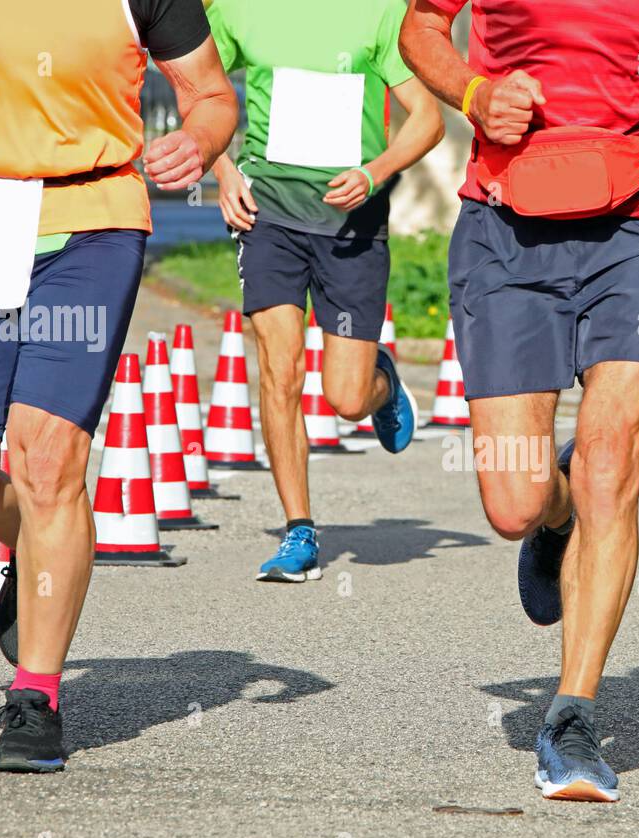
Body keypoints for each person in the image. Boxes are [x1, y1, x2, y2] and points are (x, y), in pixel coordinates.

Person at [0, 0, 237, 771]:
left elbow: (211, 94)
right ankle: (34, 550)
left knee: (47, 460)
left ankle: (36, 696)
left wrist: (197, 142)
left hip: (91, 223)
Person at [401, 0, 639, 801]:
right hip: (509, 223)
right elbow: (420, 26)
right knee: (514, 502)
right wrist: (476, 93)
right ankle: (554, 517)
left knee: (609, 460)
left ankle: (572, 716)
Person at [206, 0, 444, 583]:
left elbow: (428, 118)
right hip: (269, 216)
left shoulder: (383, 11)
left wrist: (374, 171)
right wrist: (222, 167)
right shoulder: (238, 8)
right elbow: (196, 88)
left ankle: (380, 386)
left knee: (344, 397)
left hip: (352, 225)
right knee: (278, 370)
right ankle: (299, 530)